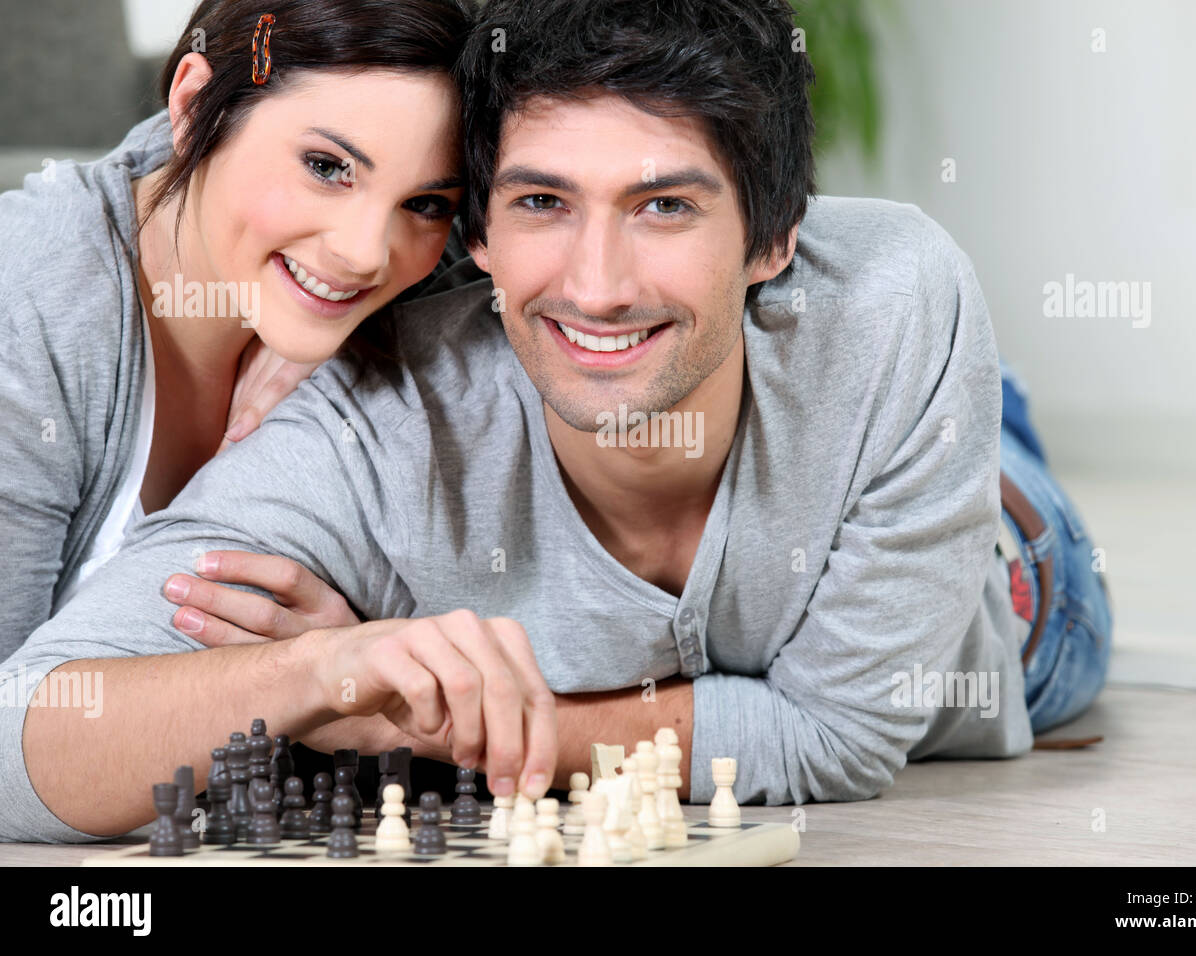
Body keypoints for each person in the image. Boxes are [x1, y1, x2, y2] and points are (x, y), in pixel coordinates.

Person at [0, 0, 1112, 843]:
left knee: (921, 402)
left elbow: (841, 734)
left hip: (1008, 585)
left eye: (663, 205)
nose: (595, 279)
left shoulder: (895, 295)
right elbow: (20, 743)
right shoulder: (358, 422)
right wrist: (325, 671)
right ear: (479, 237)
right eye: (538, 202)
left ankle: (978, 408)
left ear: (775, 237)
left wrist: (423, 728)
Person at [0, 0, 473, 659]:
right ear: (194, 107)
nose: (368, 253)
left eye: (424, 203)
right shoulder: (24, 305)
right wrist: (288, 678)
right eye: (326, 166)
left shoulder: (413, 293)